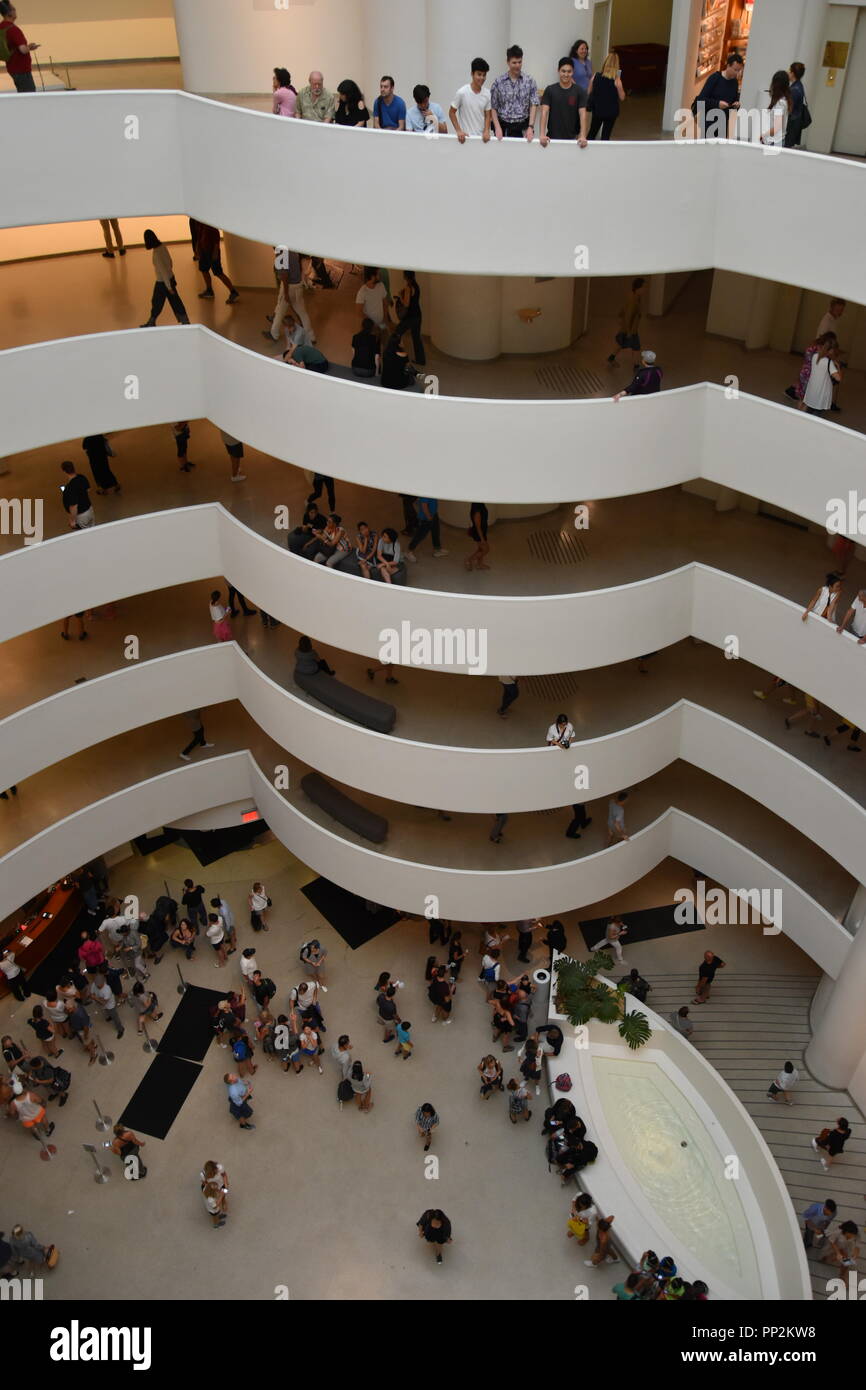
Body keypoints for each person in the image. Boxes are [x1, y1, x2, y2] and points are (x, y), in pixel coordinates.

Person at [140, 229, 189, 326]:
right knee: (175, 301)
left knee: (157, 302)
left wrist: (169, 287)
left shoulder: (157, 254)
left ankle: (152, 322)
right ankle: (185, 321)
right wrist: (170, 279)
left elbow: (162, 272)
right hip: (170, 278)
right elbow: (170, 262)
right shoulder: (162, 246)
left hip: (163, 283)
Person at [490, 46, 538, 141]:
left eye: (519, 62)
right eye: (514, 62)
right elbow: (493, 107)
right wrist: (497, 127)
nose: (517, 65)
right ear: (508, 62)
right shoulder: (498, 82)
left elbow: (534, 104)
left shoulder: (529, 81)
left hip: (523, 129)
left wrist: (531, 127)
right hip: (503, 128)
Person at [540, 58, 589, 148]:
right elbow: (544, 112)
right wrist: (542, 134)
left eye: (569, 71)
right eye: (563, 71)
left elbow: (582, 114)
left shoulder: (579, 91)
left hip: (573, 140)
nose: (566, 74)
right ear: (558, 71)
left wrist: (583, 135)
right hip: (551, 139)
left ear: (573, 72)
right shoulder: (550, 90)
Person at [692, 51, 742, 137]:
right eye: (735, 70)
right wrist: (717, 104)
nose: (737, 73)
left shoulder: (735, 82)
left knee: (719, 149)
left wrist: (736, 104)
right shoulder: (715, 78)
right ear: (728, 66)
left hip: (723, 124)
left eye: (739, 70)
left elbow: (733, 100)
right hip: (708, 122)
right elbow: (701, 99)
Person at [194, 222, 239, 304]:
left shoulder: (210, 224)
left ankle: (233, 292)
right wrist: (198, 248)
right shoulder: (199, 223)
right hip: (204, 250)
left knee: (218, 272)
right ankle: (209, 290)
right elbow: (198, 236)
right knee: (203, 270)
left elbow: (216, 238)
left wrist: (215, 252)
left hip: (211, 251)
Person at [450, 59, 492, 143]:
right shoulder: (462, 92)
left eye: (484, 75)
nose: (482, 78)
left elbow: (488, 115)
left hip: (482, 139)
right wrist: (458, 131)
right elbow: (451, 112)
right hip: (466, 139)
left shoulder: (487, 94)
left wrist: (486, 130)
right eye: (479, 74)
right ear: (472, 74)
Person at [0, 2, 39, 92]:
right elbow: (23, 50)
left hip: (11, 67)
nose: (15, 11)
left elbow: (10, 46)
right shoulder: (14, 29)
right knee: (29, 95)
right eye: (14, 9)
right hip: (21, 69)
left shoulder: (1, 27)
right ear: (9, 13)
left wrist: (27, 47)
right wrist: (30, 47)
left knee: (21, 92)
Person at [607, 279, 646, 368]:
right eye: (643, 287)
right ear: (637, 288)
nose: (644, 289)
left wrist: (620, 315)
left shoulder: (634, 297)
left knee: (620, 344)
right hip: (631, 329)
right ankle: (636, 366)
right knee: (636, 347)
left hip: (627, 328)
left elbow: (624, 308)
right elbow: (628, 315)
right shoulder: (634, 300)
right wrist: (629, 331)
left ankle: (611, 358)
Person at [587, 53, 625, 141]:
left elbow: (588, 92)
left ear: (605, 63)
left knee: (592, 133)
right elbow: (622, 97)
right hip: (611, 112)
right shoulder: (617, 81)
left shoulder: (596, 76)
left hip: (597, 110)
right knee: (605, 136)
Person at [800, 339, 842, 417]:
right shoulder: (829, 362)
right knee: (817, 414)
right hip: (821, 393)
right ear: (831, 350)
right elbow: (838, 378)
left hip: (812, 391)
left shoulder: (815, 356)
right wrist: (838, 367)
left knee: (809, 411)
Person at [392, 270, 425, 365]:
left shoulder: (408, 287)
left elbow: (406, 304)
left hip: (410, 317)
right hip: (418, 314)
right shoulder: (416, 285)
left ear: (405, 276)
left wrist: (400, 296)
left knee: (397, 333)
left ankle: (395, 355)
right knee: (416, 338)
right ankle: (421, 360)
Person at [355, 267, 392, 336]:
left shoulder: (381, 285)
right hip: (370, 327)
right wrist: (372, 325)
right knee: (372, 343)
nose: (380, 275)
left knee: (384, 337)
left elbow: (385, 303)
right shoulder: (362, 292)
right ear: (372, 277)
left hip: (382, 322)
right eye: (378, 274)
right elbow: (359, 312)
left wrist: (385, 318)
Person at [60, 460, 95, 530]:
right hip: (90, 510)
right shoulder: (82, 477)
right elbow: (88, 490)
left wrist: (72, 521)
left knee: (85, 533)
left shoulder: (69, 488)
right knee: (93, 529)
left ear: (64, 471)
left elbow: (73, 506)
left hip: (82, 515)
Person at [90, 973, 125, 1039]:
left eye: (99, 986)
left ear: (103, 982)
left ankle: (120, 1029)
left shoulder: (107, 989)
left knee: (115, 1017)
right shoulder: (94, 984)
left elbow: (104, 1002)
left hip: (110, 1005)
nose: (97, 986)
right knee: (106, 1011)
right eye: (96, 985)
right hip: (102, 1004)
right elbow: (92, 993)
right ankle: (110, 1016)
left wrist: (95, 998)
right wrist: (95, 997)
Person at [760, 70, 790, 147]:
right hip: (778, 140)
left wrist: (763, 135)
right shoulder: (785, 101)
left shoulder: (780, 104)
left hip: (774, 142)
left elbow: (777, 127)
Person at [785, 62, 808, 148]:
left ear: (793, 73)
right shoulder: (799, 86)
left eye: (789, 71)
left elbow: (789, 108)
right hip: (795, 124)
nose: (788, 72)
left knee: (785, 149)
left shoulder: (794, 90)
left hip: (790, 125)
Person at [465, 501, 489, 571]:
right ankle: (469, 560)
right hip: (479, 533)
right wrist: (482, 539)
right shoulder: (477, 508)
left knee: (480, 549)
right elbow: (477, 526)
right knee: (486, 549)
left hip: (482, 531)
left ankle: (480, 564)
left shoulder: (479, 504)